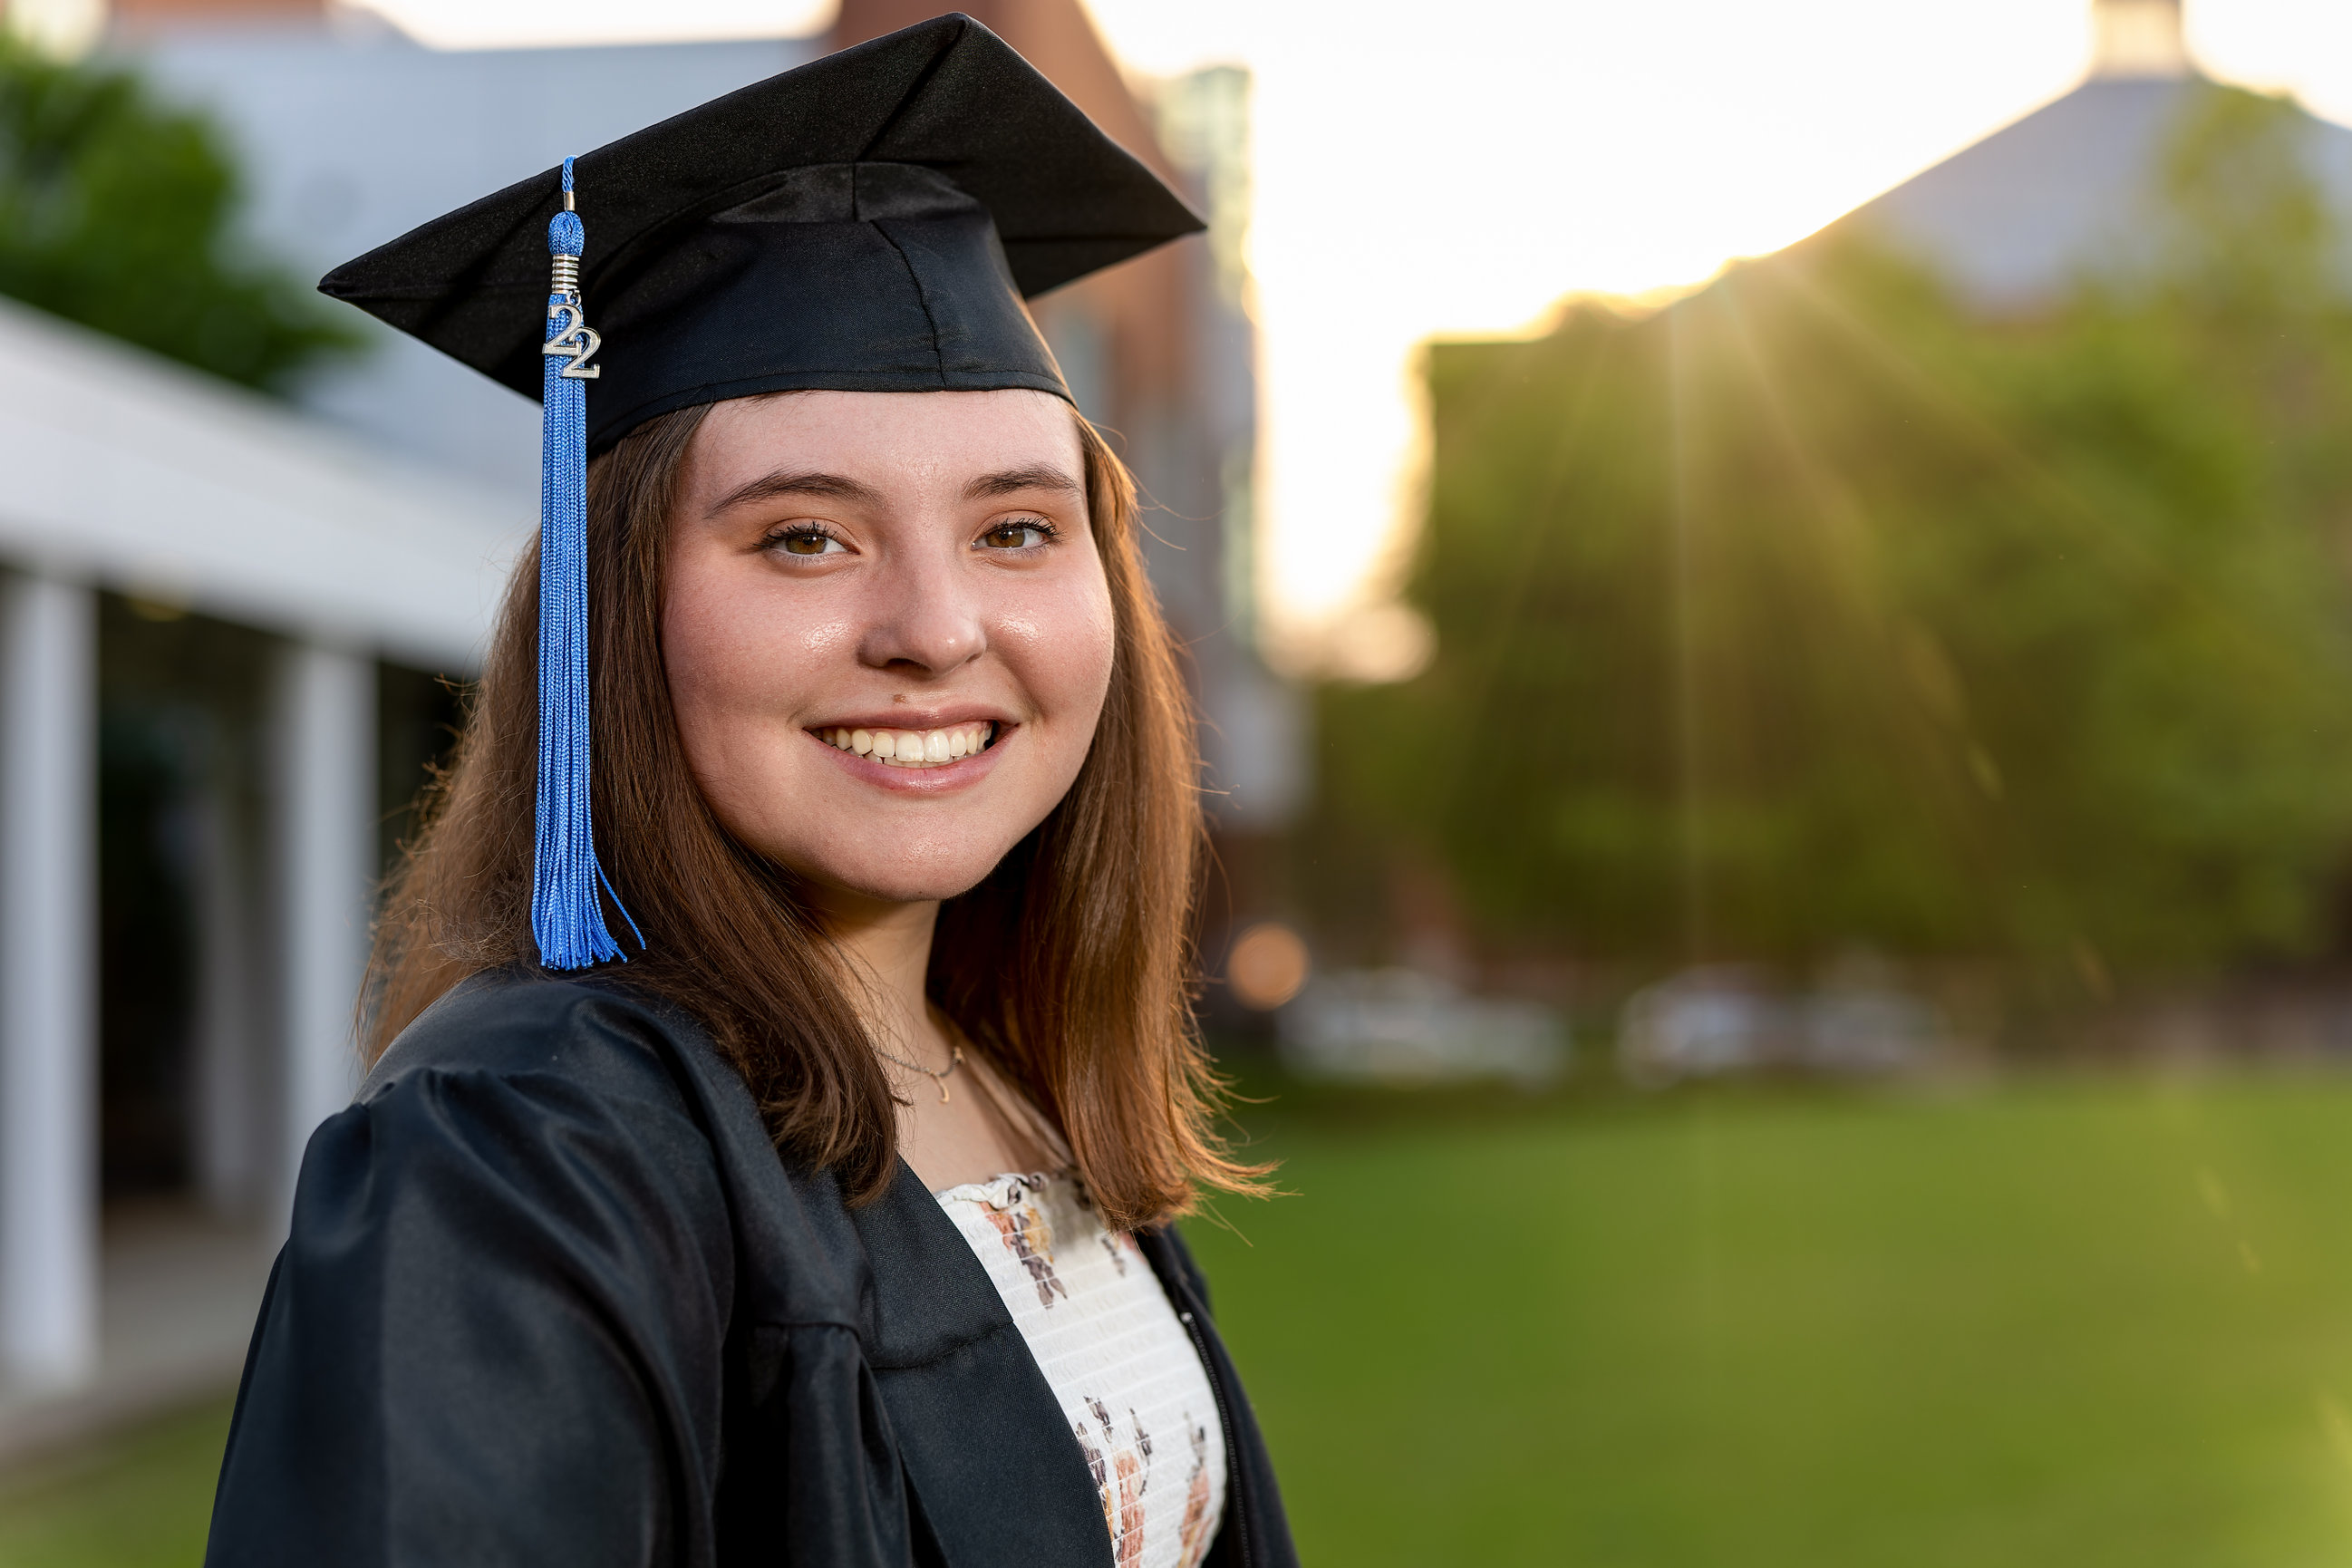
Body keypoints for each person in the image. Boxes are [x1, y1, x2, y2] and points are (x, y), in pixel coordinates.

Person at [202, 16, 1296, 1568]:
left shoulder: (1017, 1071)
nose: (934, 629)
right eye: (805, 536)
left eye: (1016, 530)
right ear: (616, 599)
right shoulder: (524, 1155)